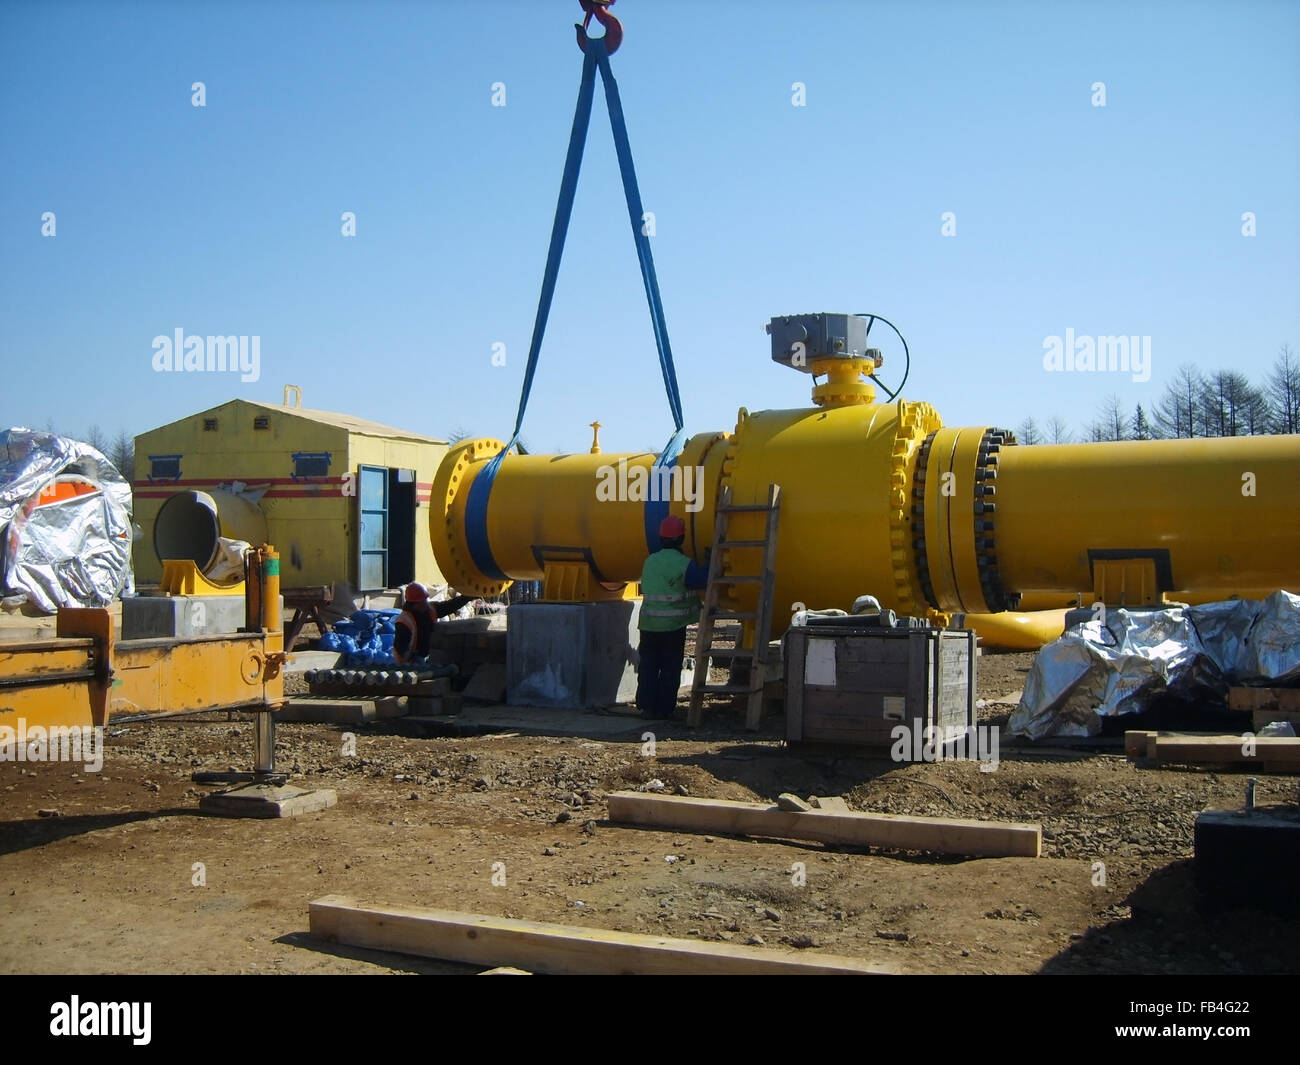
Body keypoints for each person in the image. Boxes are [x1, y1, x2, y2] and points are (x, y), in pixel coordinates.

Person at [636, 514, 709, 720]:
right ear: (681, 539)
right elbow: (702, 580)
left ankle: (646, 707)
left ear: (660, 538)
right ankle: (664, 710)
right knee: (669, 667)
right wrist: (711, 559)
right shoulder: (683, 564)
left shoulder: (650, 561)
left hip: (649, 625)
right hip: (672, 627)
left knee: (648, 666)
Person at [393, 582, 473, 666]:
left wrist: (467, 597)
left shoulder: (430, 609)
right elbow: (402, 650)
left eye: (425, 600)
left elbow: (450, 606)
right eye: (422, 601)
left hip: (427, 654)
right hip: (410, 660)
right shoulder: (404, 621)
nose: (425, 603)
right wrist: (408, 664)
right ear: (413, 604)